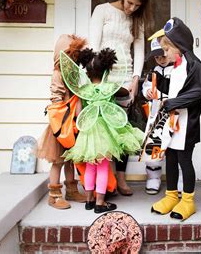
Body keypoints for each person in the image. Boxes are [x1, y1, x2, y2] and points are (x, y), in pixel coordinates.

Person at [61, 48, 144, 213]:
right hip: (105, 134)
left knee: (91, 166)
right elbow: (125, 92)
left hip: (88, 134)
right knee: (103, 167)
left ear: (87, 72)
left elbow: (78, 114)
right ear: (106, 70)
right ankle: (100, 203)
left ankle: (89, 200)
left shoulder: (83, 91)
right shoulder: (110, 88)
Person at [89, 0, 151, 196]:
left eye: (137, 6)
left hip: (126, 78)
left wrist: (136, 78)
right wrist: (96, 80)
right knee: (104, 129)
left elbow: (140, 49)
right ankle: (104, 180)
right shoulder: (102, 11)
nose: (131, 8)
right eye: (129, 3)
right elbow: (93, 46)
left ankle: (121, 177)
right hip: (105, 78)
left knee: (123, 128)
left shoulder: (137, 19)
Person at [149, 18, 201, 221]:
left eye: (167, 49)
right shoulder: (177, 66)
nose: (165, 54)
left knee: (184, 160)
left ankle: (188, 200)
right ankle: (171, 195)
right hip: (173, 123)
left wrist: (174, 102)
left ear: (179, 46)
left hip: (187, 124)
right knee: (171, 159)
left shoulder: (193, 64)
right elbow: (173, 88)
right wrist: (155, 86)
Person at [35, 35, 87, 209]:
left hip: (72, 122)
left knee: (71, 159)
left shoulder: (72, 73)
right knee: (58, 160)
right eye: (72, 55)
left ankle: (71, 190)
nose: (75, 59)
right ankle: (54, 195)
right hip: (61, 124)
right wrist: (62, 114)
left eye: (76, 56)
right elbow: (56, 96)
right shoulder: (58, 73)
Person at [141, 38, 183, 195]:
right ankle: (153, 178)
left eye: (162, 56)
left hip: (175, 113)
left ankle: (179, 181)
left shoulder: (178, 69)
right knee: (154, 147)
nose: (160, 59)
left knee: (177, 147)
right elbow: (145, 88)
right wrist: (147, 92)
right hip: (157, 114)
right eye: (156, 57)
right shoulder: (153, 72)